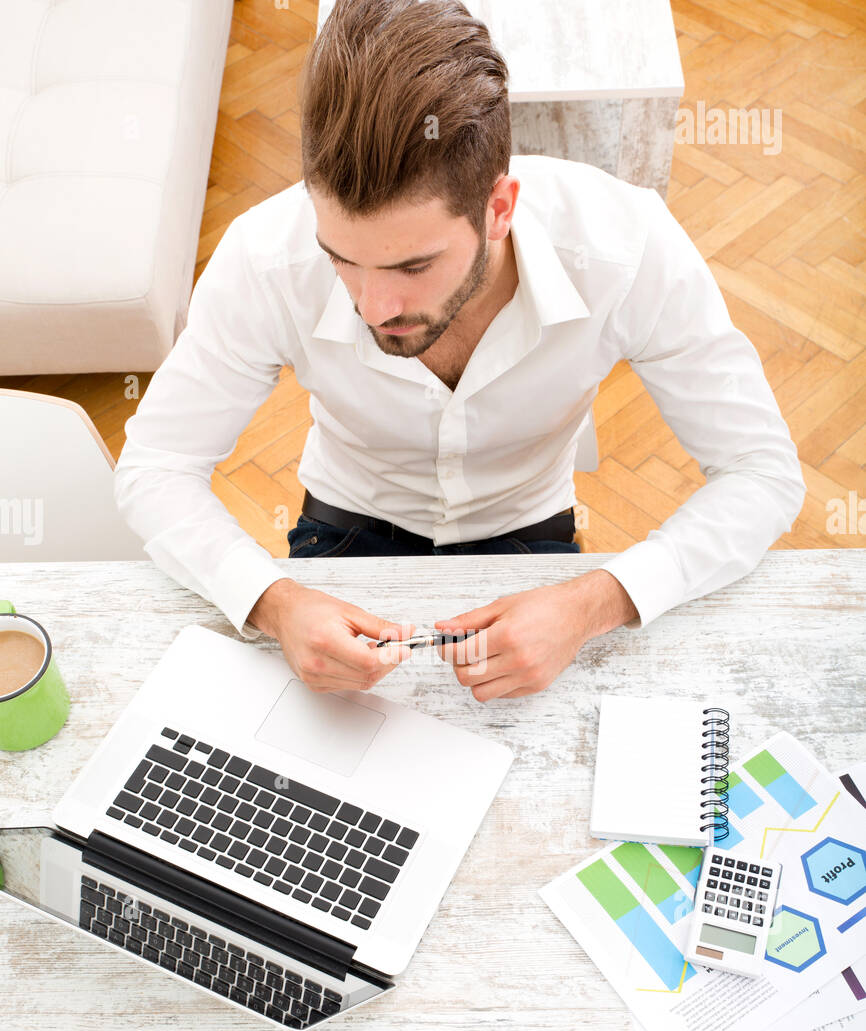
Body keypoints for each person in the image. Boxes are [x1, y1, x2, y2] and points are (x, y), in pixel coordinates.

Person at [115, 0, 805, 704]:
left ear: (499, 208)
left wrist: (596, 601)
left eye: (413, 267)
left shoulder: (626, 250)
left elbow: (762, 475)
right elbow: (155, 467)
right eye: (341, 259)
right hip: (343, 529)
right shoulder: (265, 258)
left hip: (528, 535)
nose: (372, 308)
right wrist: (272, 601)